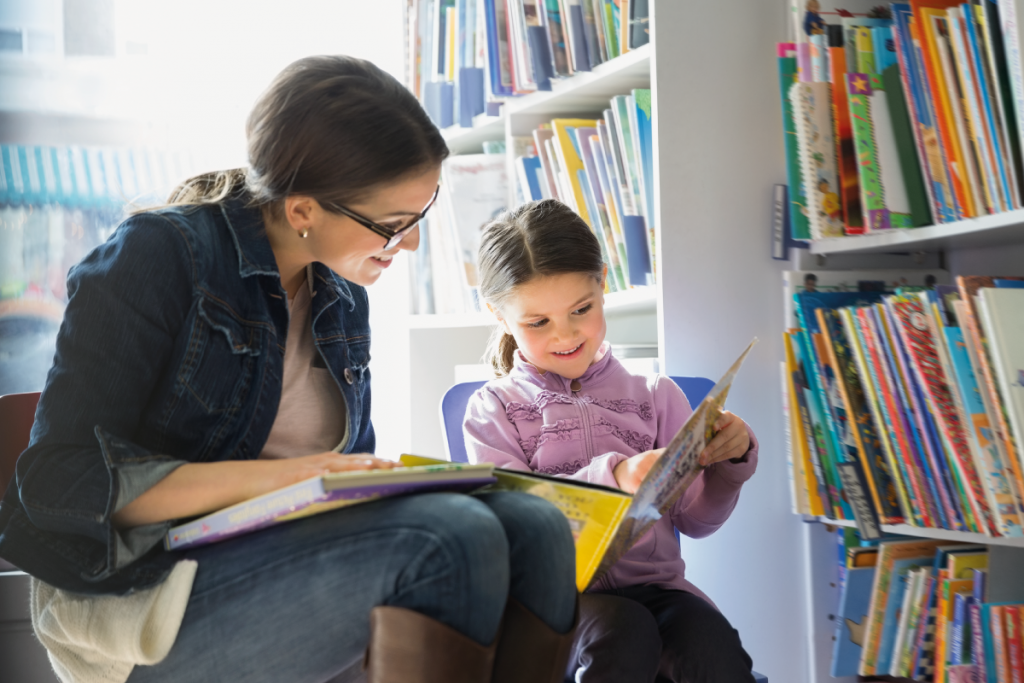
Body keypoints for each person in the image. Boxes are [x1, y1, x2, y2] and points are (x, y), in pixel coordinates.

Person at [0, 57, 578, 683]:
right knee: (450, 538)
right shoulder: (158, 255)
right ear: (302, 210)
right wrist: (292, 478)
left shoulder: (341, 289)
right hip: (139, 591)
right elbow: (60, 480)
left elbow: (345, 468)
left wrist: (367, 481)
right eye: (391, 225)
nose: (408, 244)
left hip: (279, 553)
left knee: (538, 526)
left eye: (421, 213)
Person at [464, 200, 759, 683]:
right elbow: (515, 530)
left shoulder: (656, 395)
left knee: (711, 642)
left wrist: (729, 466)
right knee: (623, 630)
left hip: (658, 589)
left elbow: (697, 520)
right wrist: (614, 477)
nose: (565, 334)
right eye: (538, 322)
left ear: (602, 282)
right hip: (549, 605)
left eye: (582, 309)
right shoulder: (491, 409)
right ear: (499, 314)